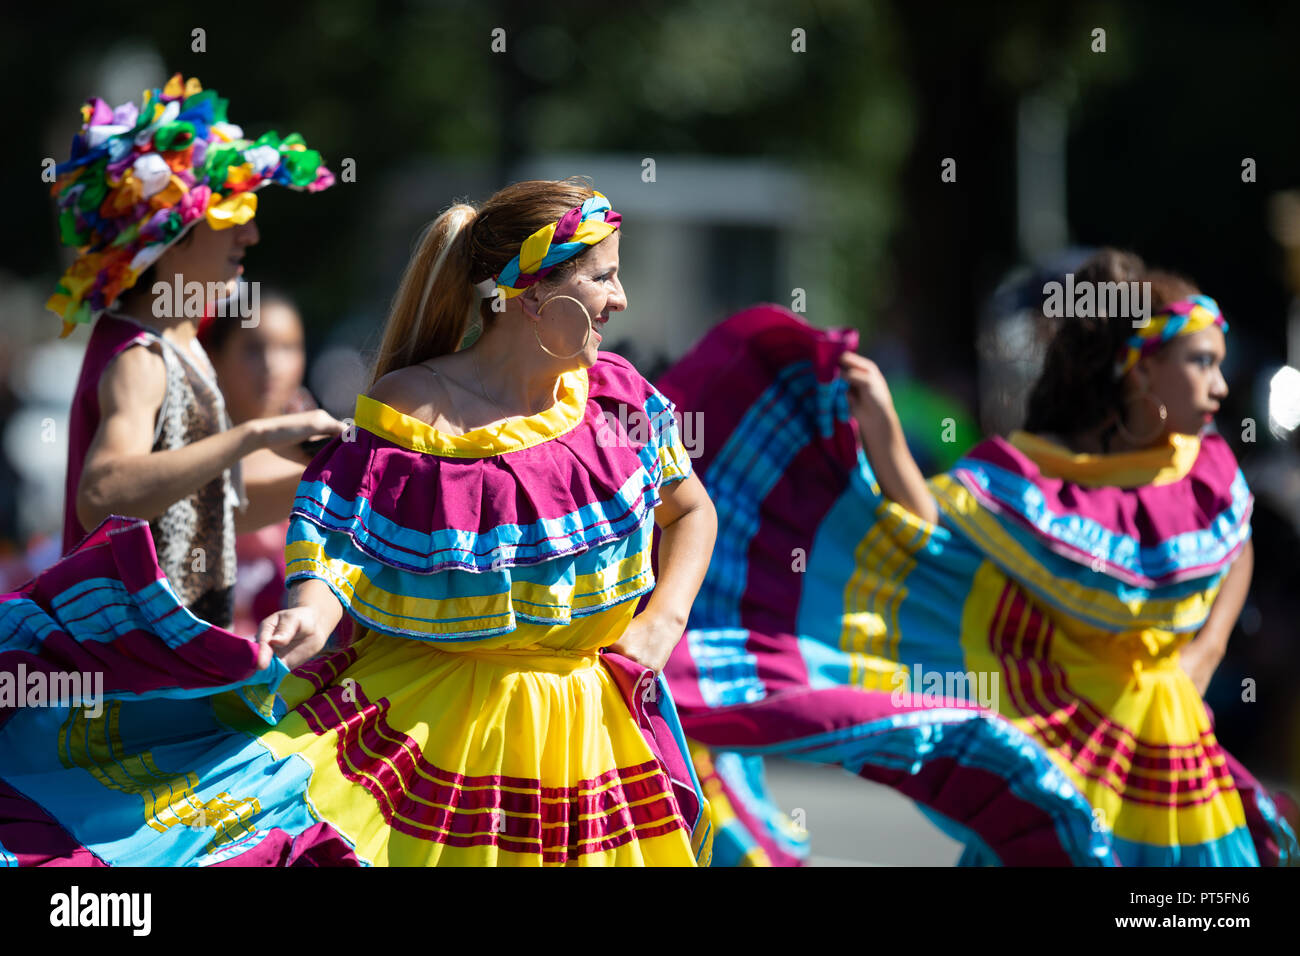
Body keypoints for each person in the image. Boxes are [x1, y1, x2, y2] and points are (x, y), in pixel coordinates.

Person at [0, 178, 715, 867]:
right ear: (531, 291)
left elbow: (690, 511)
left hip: (590, 731)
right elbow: (336, 535)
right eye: (602, 279)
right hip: (437, 732)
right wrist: (308, 611)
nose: (620, 299)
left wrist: (663, 622)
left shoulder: (616, 397)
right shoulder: (415, 408)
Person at [656, 251, 1297, 866]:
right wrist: (880, 427)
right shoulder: (1040, 476)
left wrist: (1202, 657)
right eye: (1202, 361)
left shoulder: (1206, 470)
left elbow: (1234, 548)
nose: (1220, 383)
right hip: (1071, 748)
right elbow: (940, 536)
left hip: (1173, 743)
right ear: (1144, 371)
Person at [50, 73, 342, 629]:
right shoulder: (140, 357)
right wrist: (249, 437)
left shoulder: (181, 344)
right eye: (232, 217)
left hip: (169, 671)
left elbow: (214, 510)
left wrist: (336, 466)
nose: (251, 235)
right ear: (170, 236)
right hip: (131, 678)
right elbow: (103, 494)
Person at [202, 291, 325, 637]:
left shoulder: (318, 442)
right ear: (214, 355)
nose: (273, 365)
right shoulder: (189, 449)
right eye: (253, 349)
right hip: (209, 654)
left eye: (289, 347)